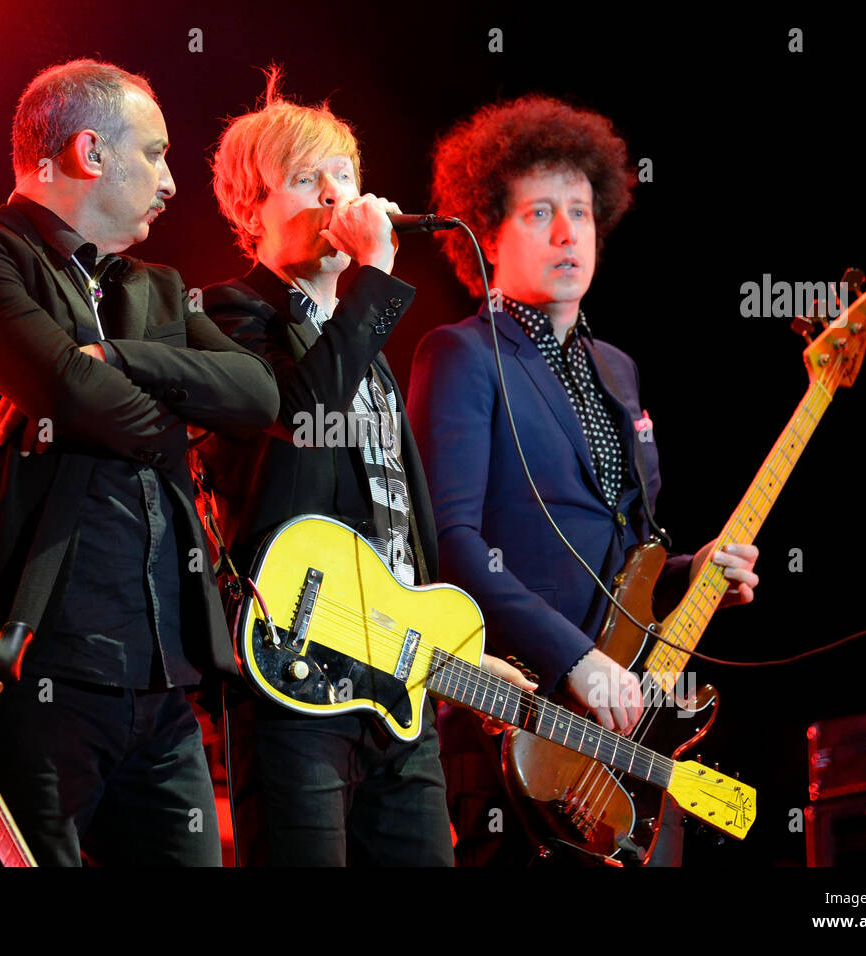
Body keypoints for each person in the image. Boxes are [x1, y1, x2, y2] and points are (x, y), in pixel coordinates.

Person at [0, 59, 278, 866]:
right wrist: (151, 398)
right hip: (30, 671)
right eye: (156, 153)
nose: (172, 181)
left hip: (164, 676)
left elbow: (257, 397)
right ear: (89, 152)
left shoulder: (157, 287)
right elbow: (74, 397)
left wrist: (114, 358)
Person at [409, 95, 760, 865]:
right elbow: (448, 544)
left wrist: (691, 574)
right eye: (539, 213)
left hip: (628, 738)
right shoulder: (460, 354)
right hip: (518, 724)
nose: (568, 233)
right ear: (488, 234)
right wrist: (576, 659)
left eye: (581, 210)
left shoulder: (617, 371)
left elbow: (625, 561)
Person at [197, 70, 532, 866]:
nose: (334, 196)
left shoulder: (368, 353)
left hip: (392, 687)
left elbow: (396, 525)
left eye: (344, 177)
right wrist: (374, 279)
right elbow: (300, 422)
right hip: (293, 676)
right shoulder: (225, 317)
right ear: (252, 210)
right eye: (306, 181)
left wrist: (456, 649)